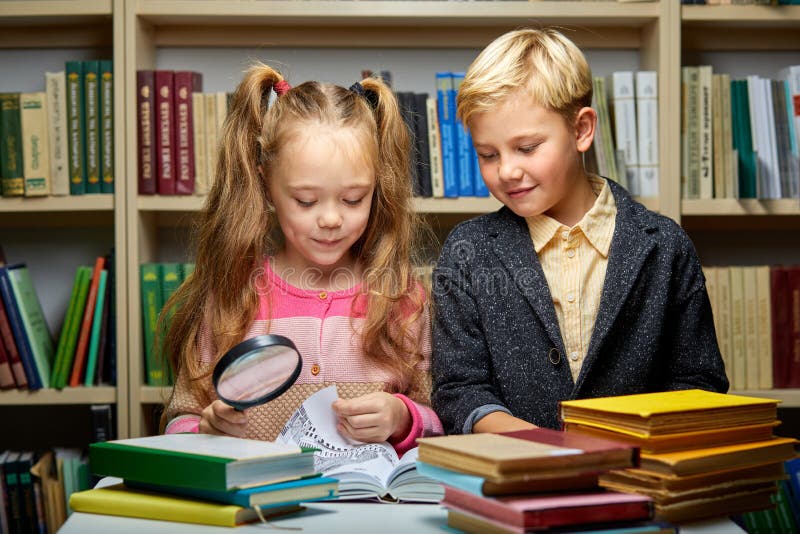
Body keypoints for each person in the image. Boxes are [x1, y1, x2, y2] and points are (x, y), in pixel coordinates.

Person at [431, 28, 728, 436]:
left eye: (527, 147)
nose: (506, 171)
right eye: (488, 154)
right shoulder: (468, 251)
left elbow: (699, 384)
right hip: (516, 483)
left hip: (636, 480)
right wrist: (546, 449)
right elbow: (460, 390)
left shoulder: (665, 247)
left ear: (581, 130)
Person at [161, 63, 441, 454]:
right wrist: (204, 432)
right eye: (306, 201)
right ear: (265, 184)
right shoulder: (233, 294)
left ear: (377, 188)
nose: (330, 219)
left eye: (353, 199)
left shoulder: (401, 297)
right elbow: (181, 416)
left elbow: (438, 420)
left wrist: (401, 417)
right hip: (257, 509)